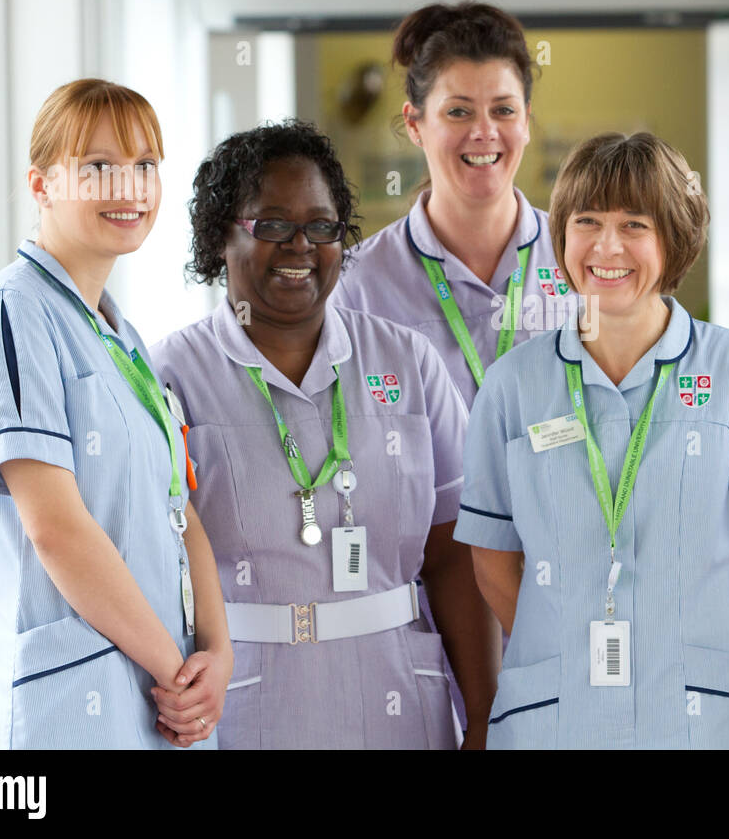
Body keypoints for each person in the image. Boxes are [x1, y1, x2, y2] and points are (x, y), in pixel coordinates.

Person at [454, 132, 729, 748]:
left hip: (709, 724)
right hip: (555, 719)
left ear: (673, 238)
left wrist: (711, 659)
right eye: (587, 221)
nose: (606, 246)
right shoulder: (512, 385)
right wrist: (565, 641)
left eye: (634, 225)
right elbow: (493, 555)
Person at [152, 120, 498, 749]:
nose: (300, 246)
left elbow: (457, 555)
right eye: (272, 225)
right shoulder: (171, 376)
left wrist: (481, 717)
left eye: (322, 227)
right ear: (219, 236)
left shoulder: (409, 362)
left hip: (399, 703)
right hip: (247, 710)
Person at [0, 79, 229, 749]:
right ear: (41, 185)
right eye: (97, 167)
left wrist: (219, 653)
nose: (127, 188)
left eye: (144, 167)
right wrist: (177, 673)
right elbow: (57, 531)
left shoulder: (120, 337)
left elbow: (179, 511)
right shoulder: (12, 315)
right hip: (69, 709)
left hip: (158, 698)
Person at [330, 0, 572, 410]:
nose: (483, 131)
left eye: (504, 110)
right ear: (414, 124)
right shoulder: (357, 285)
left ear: (526, 122)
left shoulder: (579, 259)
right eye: (458, 111)